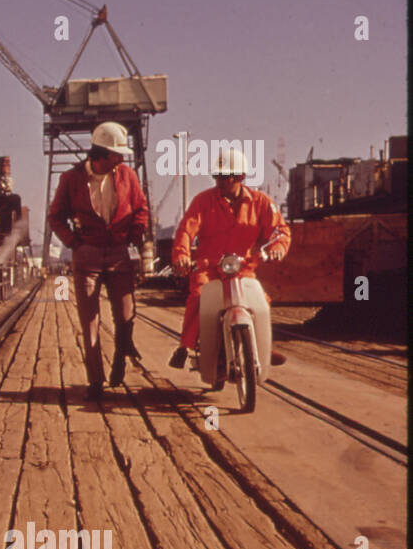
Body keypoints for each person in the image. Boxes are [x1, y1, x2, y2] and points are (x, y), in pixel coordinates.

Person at [48, 121, 150, 398]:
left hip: (119, 253)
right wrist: (73, 243)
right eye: (117, 154)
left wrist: (135, 235)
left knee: (126, 316)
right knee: (89, 321)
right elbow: (54, 216)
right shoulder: (71, 180)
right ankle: (96, 382)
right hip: (88, 256)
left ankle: (120, 355)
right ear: (101, 153)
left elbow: (140, 209)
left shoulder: (127, 175)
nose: (122, 159)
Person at [170, 146, 290, 367]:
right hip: (208, 267)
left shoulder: (260, 202)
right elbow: (186, 230)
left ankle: (262, 347)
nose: (220, 182)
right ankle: (185, 346)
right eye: (217, 176)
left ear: (241, 177)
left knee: (260, 302)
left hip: (242, 267)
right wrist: (182, 255)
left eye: (226, 177)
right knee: (198, 297)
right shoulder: (203, 201)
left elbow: (279, 231)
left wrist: (278, 248)